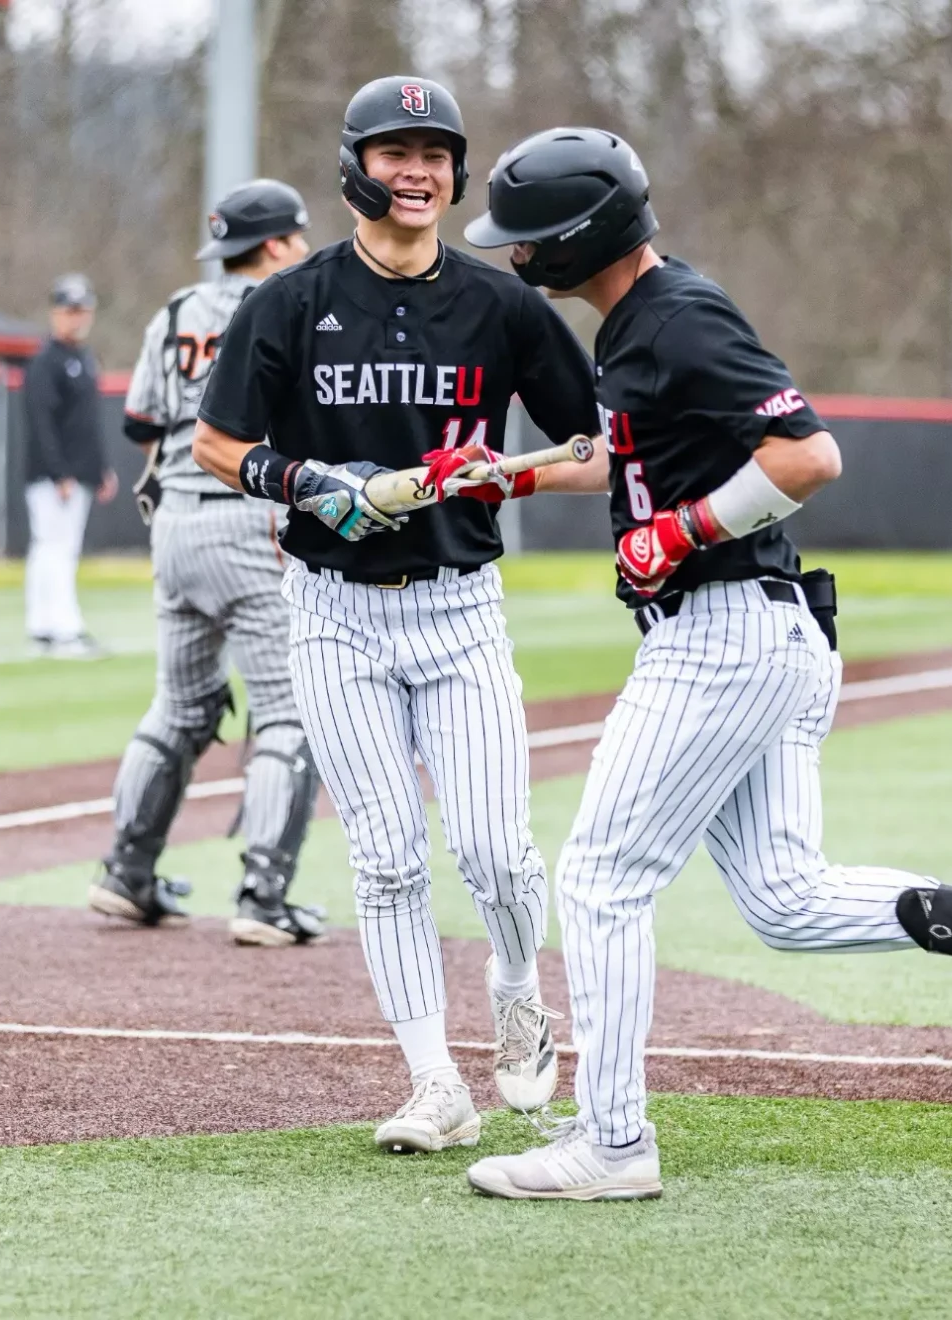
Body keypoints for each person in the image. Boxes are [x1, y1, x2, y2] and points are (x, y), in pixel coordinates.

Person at [455, 127, 952, 1201]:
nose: (513, 256)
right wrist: (509, 477)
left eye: (527, 238)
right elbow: (636, 458)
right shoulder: (642, 321)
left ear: (579, 237)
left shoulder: (678, 316)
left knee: (598, 881)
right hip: (765, 633)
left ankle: (614, 1144)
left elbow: (809, 455)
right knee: (784, 898)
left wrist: (680, 536)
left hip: (722, 634)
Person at [191, 77, 604, 1154]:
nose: (415, 171)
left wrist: (499, 479)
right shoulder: (287, 300)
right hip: (330, 614)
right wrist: (306, 483)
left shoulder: (503, 305)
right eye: (393, 151)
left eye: (435, 152)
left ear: (457, 174)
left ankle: (518, 991)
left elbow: (598, 451)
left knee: (497, 852)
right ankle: (434, 1083)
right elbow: (216, 444)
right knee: (384, 859)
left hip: (460, 610)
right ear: (354, 167)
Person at [88, 180, 324, 942]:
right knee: (289, 714)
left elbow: (142, 425)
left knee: (181, 707)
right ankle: (262, 896)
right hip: (248, 521)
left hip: (175, 526)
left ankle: (127, 870)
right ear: (280, 243)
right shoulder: (296, 305)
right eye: (298, 235)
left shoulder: (178, 309)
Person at [23, 273, 116, 658]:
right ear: (55, 313)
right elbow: (40, 421)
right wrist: (58, 471)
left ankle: (46, 624)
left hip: (77, 474)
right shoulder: (46, 361)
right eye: (69, 310)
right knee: (53, 547)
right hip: (53, 476)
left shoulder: (83, 359)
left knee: (57, 547)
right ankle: (62, 627)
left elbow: (87, 424)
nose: (77, 318)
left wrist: (99, 470)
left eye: (82, 310)